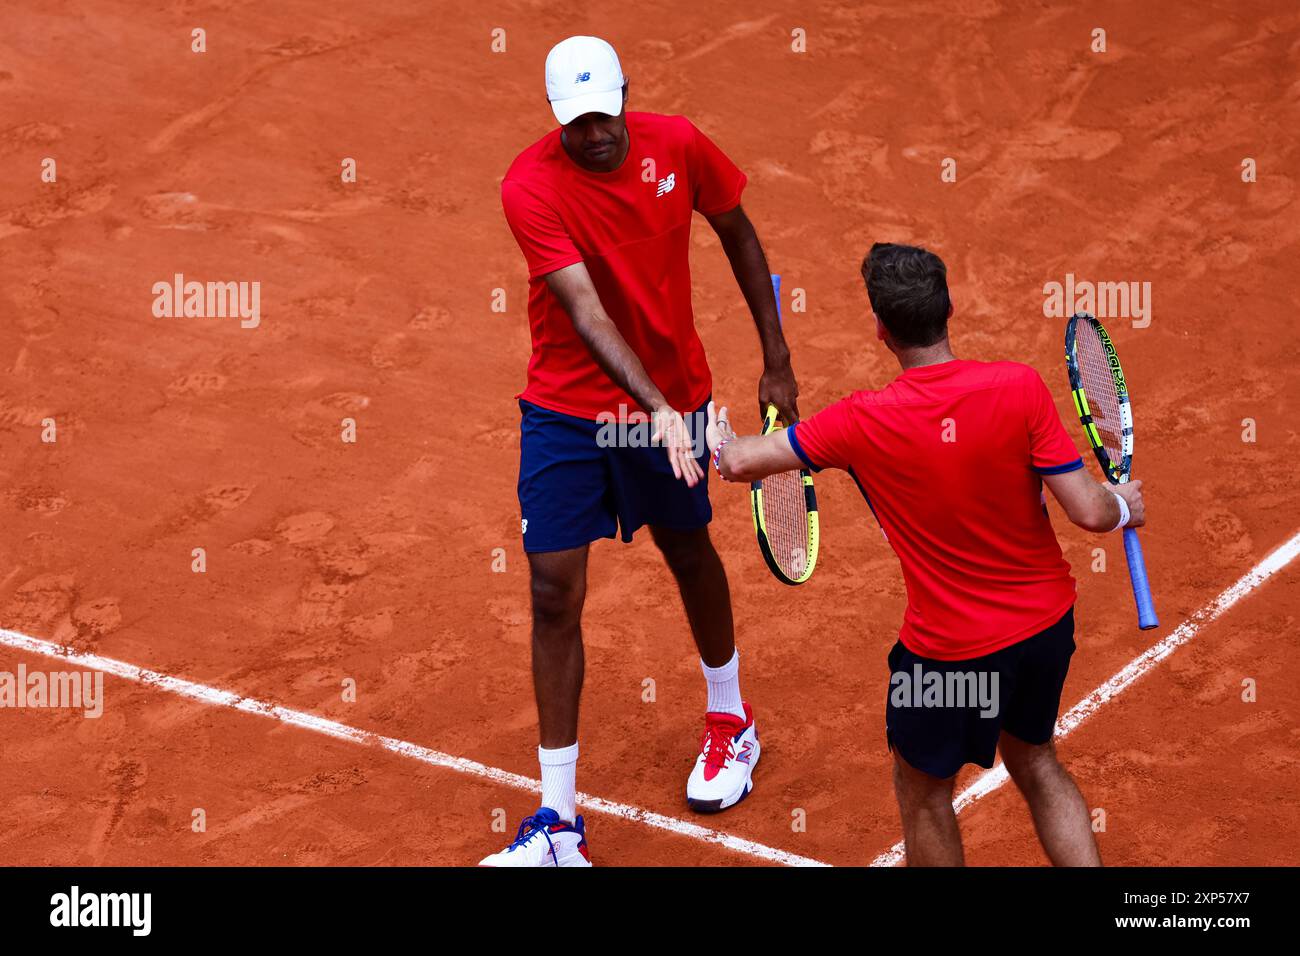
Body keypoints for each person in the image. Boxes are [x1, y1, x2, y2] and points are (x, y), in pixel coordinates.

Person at [705, 242, 1146, 866]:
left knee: (923, 794)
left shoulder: (859, 422)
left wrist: (721, 435)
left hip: (948, 656)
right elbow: (1090, 512)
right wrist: (1125, 503)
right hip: (1045, 630)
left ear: (881, 328)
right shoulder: (1017, 387)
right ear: (949, 309)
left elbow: (740, 462)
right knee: (1037, 760)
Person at [480, 36, 800, 867]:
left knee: (688, 549)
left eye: (603, 114)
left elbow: (739, 232)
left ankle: (731, 720)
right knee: (553, 591)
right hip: (568, 406)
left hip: (676, 393)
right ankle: (557, 824)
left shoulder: (679, 143)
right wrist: (650, 409)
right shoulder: (528, 187)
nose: (594, 135)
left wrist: (776, 360)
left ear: (625, 93)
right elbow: (585, 314)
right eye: (576, 123)